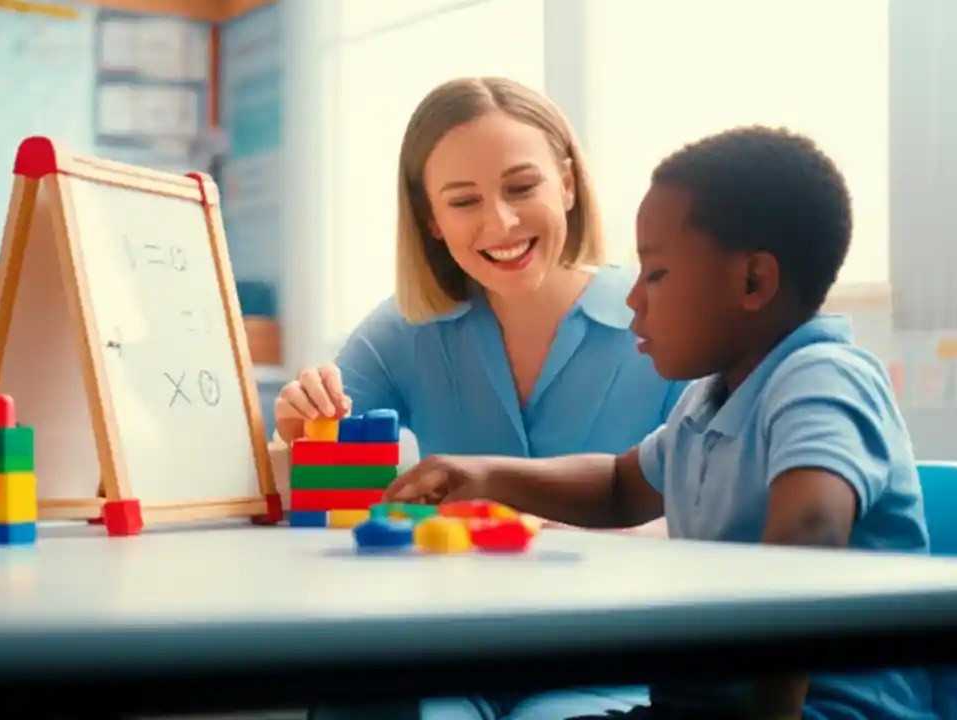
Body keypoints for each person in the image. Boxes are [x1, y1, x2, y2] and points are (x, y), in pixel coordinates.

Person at [385, 125, 937, 720]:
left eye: (656, 274)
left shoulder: (820, 376)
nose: (633, 300)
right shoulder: (709, 401)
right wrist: (486, 474)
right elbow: (622, 485)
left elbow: (810, 526)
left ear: (753, 281)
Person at [278, 76, 685, 719]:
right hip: (446, 656)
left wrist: (587, 536)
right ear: (431, 222)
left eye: (523, 188)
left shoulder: (669, 317)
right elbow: (310, 462)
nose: (501, 222)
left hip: (613, 658)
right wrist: (298, 422)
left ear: (569, 185)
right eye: (463, 201)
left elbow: (719, 515)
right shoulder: (405, 329)